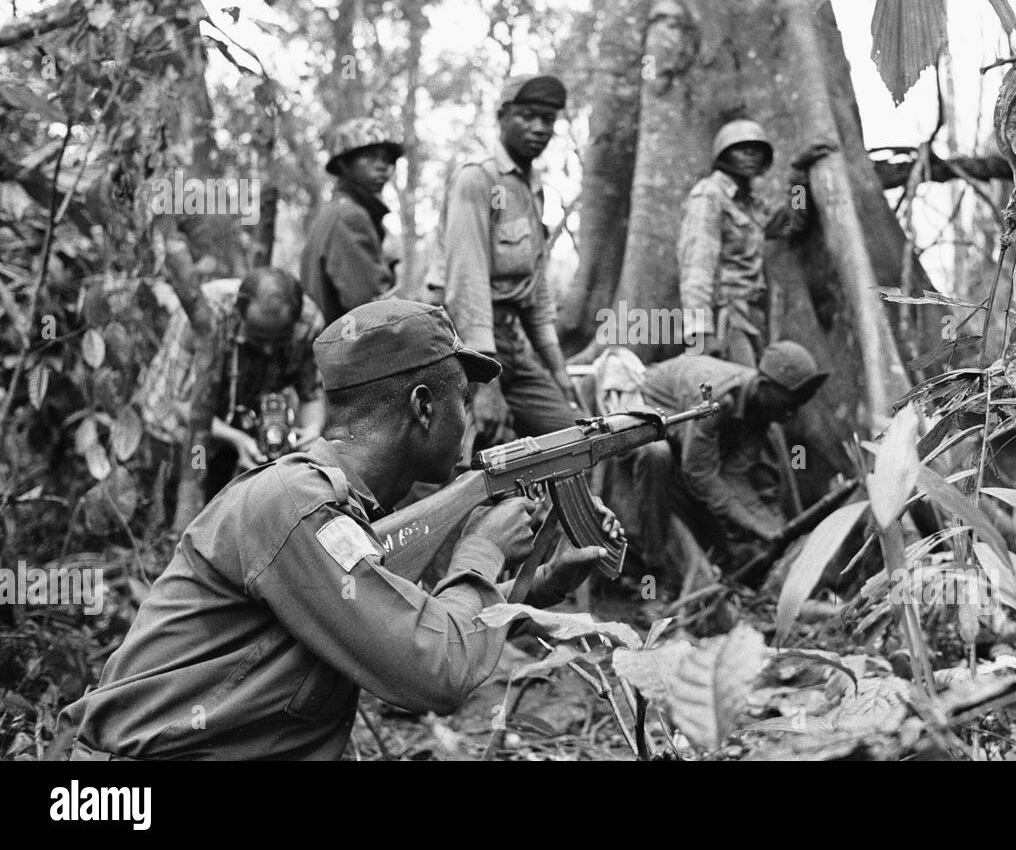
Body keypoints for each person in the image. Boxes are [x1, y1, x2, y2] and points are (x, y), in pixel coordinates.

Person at [60, 300, 613, 760]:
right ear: (423, 408)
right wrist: (483, 551)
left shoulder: (334, 506)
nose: (471, 422)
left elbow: (394, 632)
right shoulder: (298, 507)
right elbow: (433, 674)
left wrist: (533, 593)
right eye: (462, 401)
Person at [438, 73, 578, 450]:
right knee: (475, 458)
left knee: (573, 437)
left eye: (548, 120)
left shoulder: (531, 189)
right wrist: (484, 385)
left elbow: (535, 293)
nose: (539, 128)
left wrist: (560, 373)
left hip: (514, 346)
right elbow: (466, 286)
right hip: (464, 347)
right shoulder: (477, 179)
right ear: (503, 116)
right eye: (528, 116)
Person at [137, 268, 328, 502]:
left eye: (278, 340)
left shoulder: (308, 323)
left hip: (235, 422)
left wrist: (313, 430)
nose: (268, 350)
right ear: (239, 314)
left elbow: (311, 391)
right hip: (177, 427)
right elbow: (181, 402)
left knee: (218, 499)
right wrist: (236, 438)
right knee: (182, 492)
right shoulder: (204, 316)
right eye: (258, 338)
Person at [640, 340, 829, 560]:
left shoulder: (761, 406)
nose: (790, 415)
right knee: (657, 455)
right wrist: (757, 526)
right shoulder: (719, 400)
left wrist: (774, 527)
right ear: (763, 384)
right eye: (787, 404)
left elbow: (735, 472)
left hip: (686, 426)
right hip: (644, 406)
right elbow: (699, 474)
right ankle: (653, 564)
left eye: (797, 407)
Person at [678, 120, 835, 367]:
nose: (751, 156)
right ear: (724, 155)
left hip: (755, 313)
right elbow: (696, 268)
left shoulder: (752, 205)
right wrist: (700, 332)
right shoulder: (709, 195)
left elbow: (793, 222)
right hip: (725, 315)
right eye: (741, 149)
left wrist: (798, 178)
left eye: (756, 150)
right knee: (742, 390)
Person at [300, 117, 404, 324]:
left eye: (386, 159)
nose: (382, 166)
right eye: (370, 157)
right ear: (344, 165)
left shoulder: (341, 210)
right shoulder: (349, 216)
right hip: (344, 349)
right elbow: (373, 311)